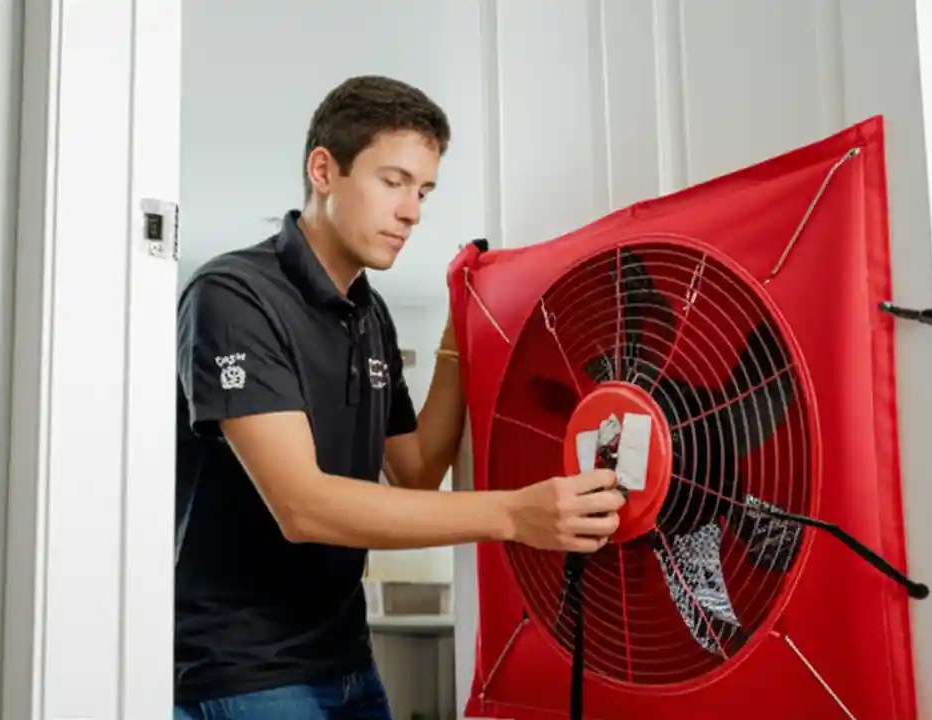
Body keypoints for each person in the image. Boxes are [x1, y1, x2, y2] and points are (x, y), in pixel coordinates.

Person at [173, 75, 626, 719]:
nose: (413, 210)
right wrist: (515, 516)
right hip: (243, 673)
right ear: (324, 170)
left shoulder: (370, 314)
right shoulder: (232, 296)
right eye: (393, 182)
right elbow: (304, 507)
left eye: (424, 189)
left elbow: (415, 473)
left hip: (348, 662)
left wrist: (463, 324)